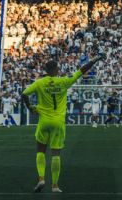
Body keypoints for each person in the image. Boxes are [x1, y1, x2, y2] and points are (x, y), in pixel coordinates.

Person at [21, 54, 102, 194]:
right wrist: (94, 60)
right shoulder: (64, 81)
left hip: (44, 121)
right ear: (57, 70)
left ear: (46, 70)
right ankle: (54, 186)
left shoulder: (39, 83)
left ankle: (41, 178)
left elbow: (24, 94)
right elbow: (81, 71)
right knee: (56, 154)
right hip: (58, 122)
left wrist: (30, 108)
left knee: (40, 151)